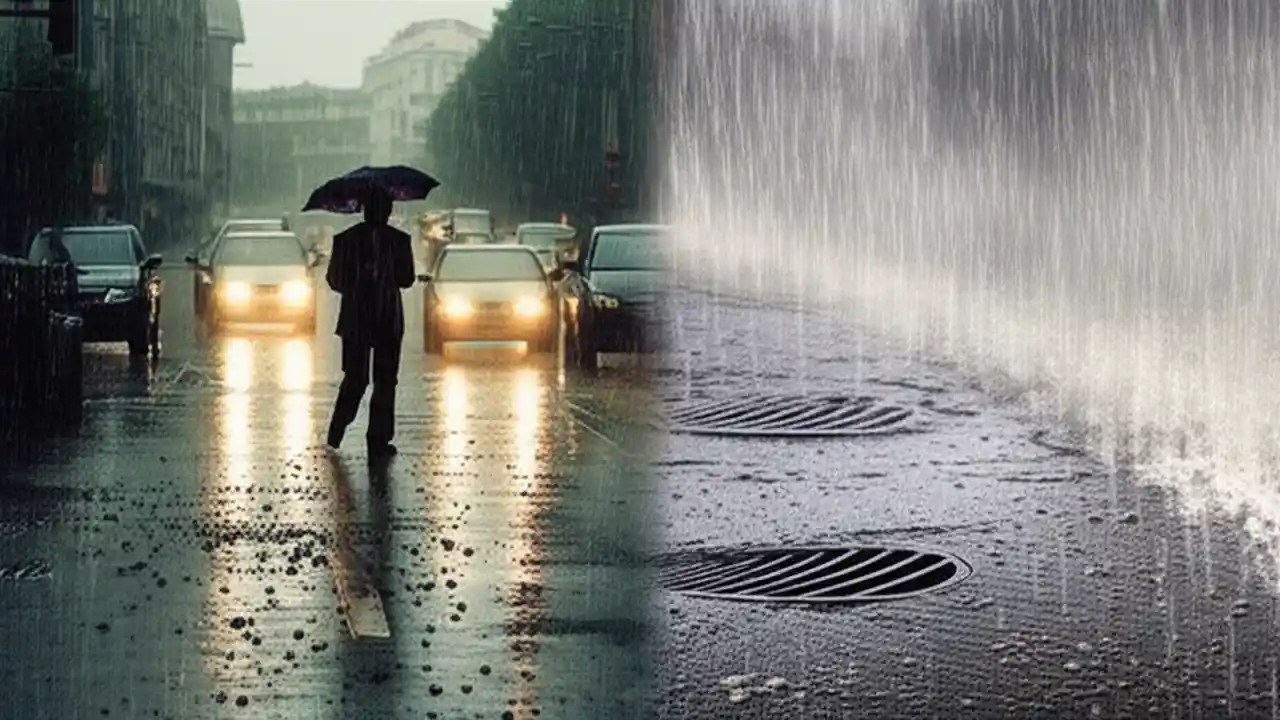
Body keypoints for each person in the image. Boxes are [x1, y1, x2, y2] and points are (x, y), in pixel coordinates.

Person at [325, 187, 416, 459]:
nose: (381, 213)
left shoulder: (398, 241)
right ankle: (340, 431)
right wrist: (362, 278)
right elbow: (335, 280)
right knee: (360, 379)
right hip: (363, 317)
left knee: (383, 380)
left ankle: (375, 438)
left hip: (379, 318)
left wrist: (381, 273)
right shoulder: (348, 241)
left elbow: (406, 278)